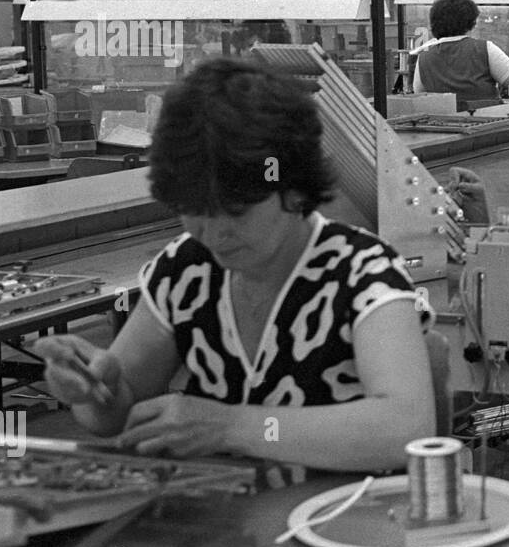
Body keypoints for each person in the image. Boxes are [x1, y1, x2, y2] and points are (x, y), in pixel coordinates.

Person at [35, 59, 437, 473]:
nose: (214, 233)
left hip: (342, 522)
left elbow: (404, 431)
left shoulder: (363, 273)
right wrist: (90, 387)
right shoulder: (185, 269)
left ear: (294, 187)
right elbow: (117, 413)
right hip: (222, 524)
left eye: (238, 211)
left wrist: (231, 427)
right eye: (194, 211)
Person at [413, 0, 509, 110]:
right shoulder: (484, 49)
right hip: (488, 122)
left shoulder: (424, 56)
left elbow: (419, 95)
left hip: (443, 124)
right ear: (471, 23)